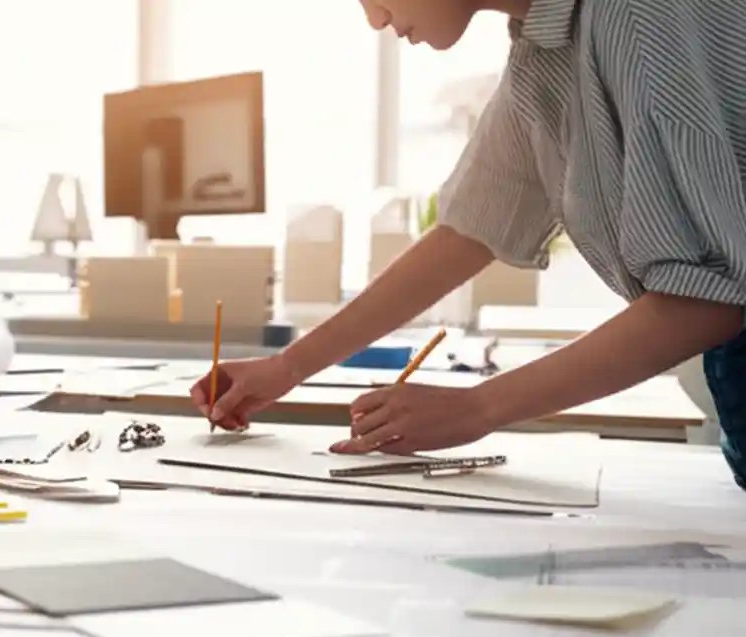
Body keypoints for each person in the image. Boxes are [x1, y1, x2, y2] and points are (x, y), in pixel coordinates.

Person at [190, 0, 746, 485]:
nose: (375, 18)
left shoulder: (642, 16)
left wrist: (478, 408)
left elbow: (711, 296)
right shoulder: (546, 46)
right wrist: (288, 367)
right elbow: (470, 227)